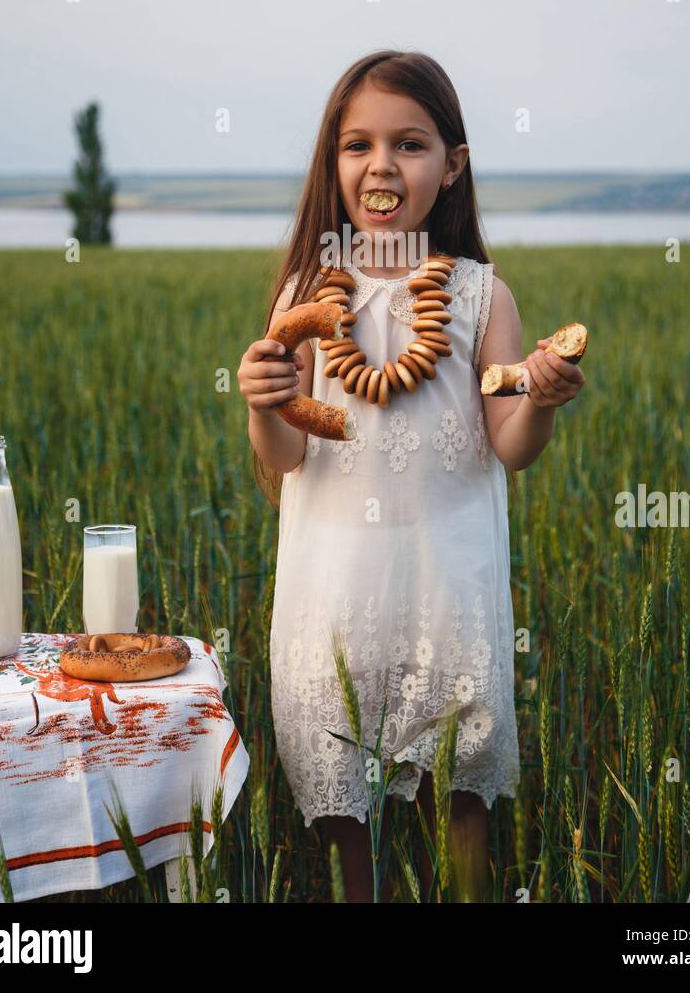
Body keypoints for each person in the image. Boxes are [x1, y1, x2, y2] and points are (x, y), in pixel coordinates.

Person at [237, 49, 585, 901]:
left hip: (448, 585)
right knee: (345, 807)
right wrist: (260, 404)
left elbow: (509, 440)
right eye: (358, 145)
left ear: (453, 166)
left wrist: (538, 396)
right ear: (334, 164)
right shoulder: (303, 297)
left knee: (459, 794)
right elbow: (286, 458)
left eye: (410, 144)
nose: (382, 165)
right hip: (333, 589)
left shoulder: (478, 296)